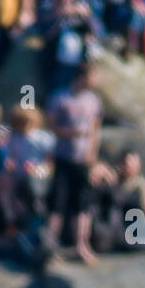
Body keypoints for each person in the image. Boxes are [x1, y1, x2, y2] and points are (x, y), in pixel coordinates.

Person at [47, 60, 102, 263]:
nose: (97, 81)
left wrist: (93, 155)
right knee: (57, 203)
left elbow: (95, 129)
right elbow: (50, 125)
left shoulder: (94, 100)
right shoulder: (60, 97)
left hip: (83, 160)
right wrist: (72, 133)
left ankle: (81, 245)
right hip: (63, 158)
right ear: (83, 76)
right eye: (93, 76)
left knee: (83, 204)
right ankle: (50, 247)